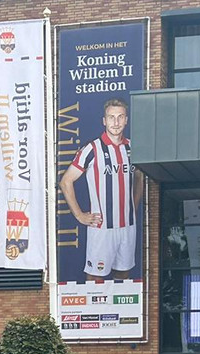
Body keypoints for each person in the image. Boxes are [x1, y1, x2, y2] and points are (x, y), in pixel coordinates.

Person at [58, 98, 145, 280]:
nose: (116, 122)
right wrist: (79, 215)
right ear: (104, 121)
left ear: (126, 120)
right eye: (111, 117)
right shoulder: (92, 149)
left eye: (120, 117)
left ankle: (119, 310)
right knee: (95, 277)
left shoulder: (133, 147)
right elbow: (66, 182)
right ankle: (94, 310)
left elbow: (139, 177)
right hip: (102, 228)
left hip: (127, 226)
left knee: (123, 274)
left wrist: (132, 207)